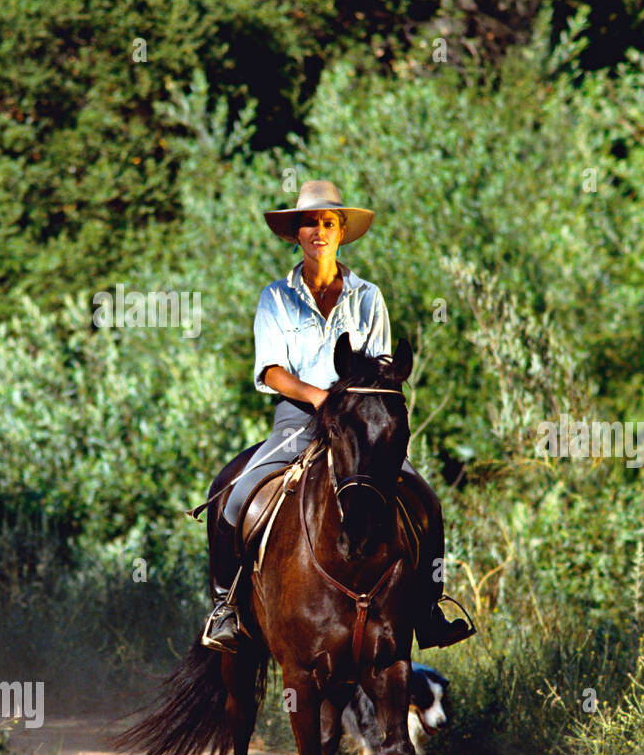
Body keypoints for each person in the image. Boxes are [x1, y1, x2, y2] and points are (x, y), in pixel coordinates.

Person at [201, 179, 472, 653]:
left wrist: (352, 408)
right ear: (297, 234)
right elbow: (269, 370)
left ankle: (428, 611)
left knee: (425, 501)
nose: (319, 231)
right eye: (310, 223)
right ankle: (226, 607)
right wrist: (319, 397)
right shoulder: (275, 297)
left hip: (360, 428)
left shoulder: (369, 297)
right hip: (296, 420)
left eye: (329, 223)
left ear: (341, 232)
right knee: (236, 493)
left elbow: (382, 370)